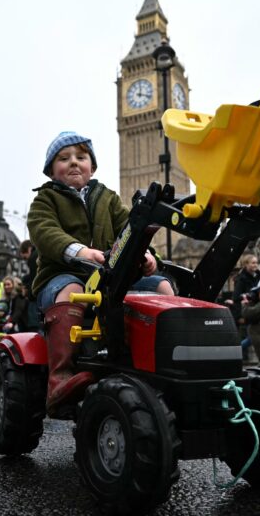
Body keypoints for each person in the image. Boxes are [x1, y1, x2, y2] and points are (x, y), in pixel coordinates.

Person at [28, 131, 174, 418]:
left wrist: (148, 256)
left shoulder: (107, 197)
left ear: (92, 167)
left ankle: (163, 364)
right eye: (64, 158)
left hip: (110, 277)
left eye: (81, 157)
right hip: (62, 274)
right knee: (71, 290)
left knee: (162, 288)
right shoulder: (45, 199)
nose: (73, 163)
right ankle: (61, 377)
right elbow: (44, 231)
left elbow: (131, 229)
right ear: (51, 171)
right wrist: (80, 251)